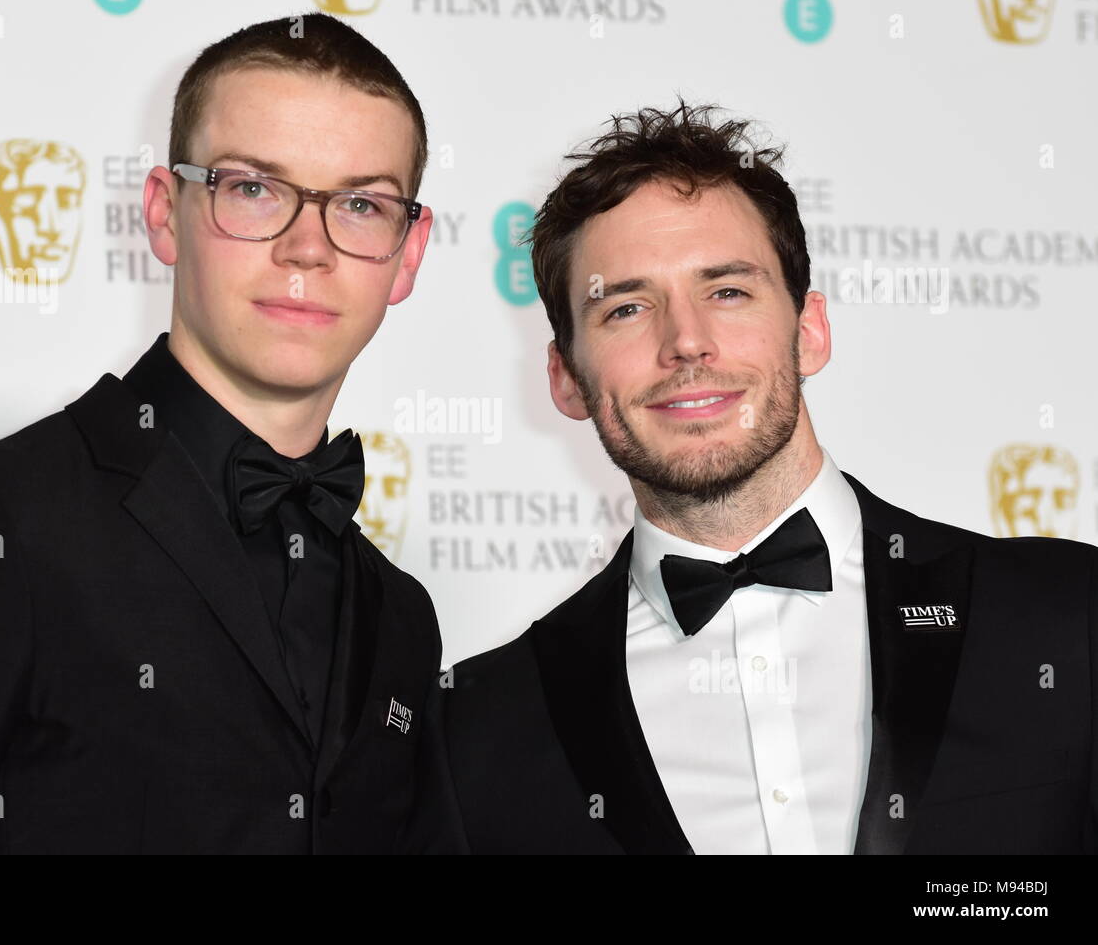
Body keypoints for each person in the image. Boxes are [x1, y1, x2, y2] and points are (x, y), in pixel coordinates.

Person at [0, 13, 446, 854]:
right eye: (253, 188)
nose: (305, 247)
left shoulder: (400, 615)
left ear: (408, 254)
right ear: (164, 213)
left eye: (361, 205)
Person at [433, 102, 1098, 854]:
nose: (686, 342)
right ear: (565, 378)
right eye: (625, 307)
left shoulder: (1067, 614)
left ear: (809, 330)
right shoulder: (478, 730)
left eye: (727, 291)